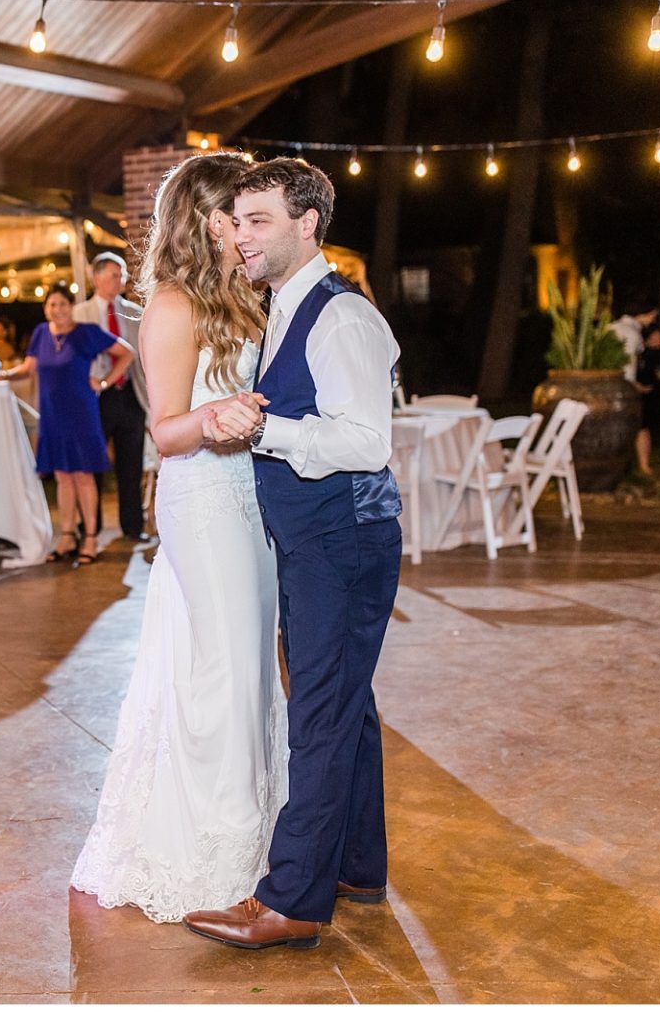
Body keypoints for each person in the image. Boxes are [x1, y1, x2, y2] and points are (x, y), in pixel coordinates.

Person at [184, 157, 402, 952]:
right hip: (319, 537)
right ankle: (357, 862)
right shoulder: (285, 304)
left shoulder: (342, 317)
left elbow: (366, 440)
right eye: (237, 220)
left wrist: (261, 429)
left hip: (343, 537)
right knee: (346, 701)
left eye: (258, 220)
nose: (242, 235)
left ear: (308, 223)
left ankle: (293, 899)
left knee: (317, 709)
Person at [67, 151, 286, 923]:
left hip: (251, 500)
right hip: (204, 502)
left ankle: (258, 835)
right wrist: (214, 419)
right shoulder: (170, 304)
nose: (248, 227)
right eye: (239, 213)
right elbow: (165, 430)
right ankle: (217, 853)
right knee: (224, 664)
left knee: (251, 661)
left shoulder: (246, 296)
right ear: (206, 218)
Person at [0, 286, 132, 566]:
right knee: (62, 476)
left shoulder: (87, 332)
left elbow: (127, 353)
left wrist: (104, 382)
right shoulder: (42, 333)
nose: (58, 310)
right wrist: (0, 375)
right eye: (52, 304)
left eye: (63, 304)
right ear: (46, 308)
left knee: (82, 475)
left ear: (71, 306)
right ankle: (67, 535)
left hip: (82, 412)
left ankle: (90, 536)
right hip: (53, 415)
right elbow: (29, 367)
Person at [74, 252, 151, 541]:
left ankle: (133, 527)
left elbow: (143, 357)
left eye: (122, 276)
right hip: (94, 398)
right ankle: (89, 528)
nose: (120, 281)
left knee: (131, 464)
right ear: (96, 277)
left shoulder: (133, 312)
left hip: (129, 393)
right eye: (113, 275)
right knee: (91, 463)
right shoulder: (79, 314)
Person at [633, 323, 660, 476]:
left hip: (653, 395)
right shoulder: (640, 354)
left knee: (645, 428)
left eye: (659, 336)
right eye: (653, 337)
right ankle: (640, 464)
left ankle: (644, 464)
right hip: (638, 394)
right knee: (639, 427)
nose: (657, 340)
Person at [609, 298, 657, 384]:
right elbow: (629, 363)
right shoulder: (632, 333)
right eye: (652, 316)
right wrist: (633, 385)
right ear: (642, 314)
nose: (653, 320)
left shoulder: (612, 326)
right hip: (617, 383)